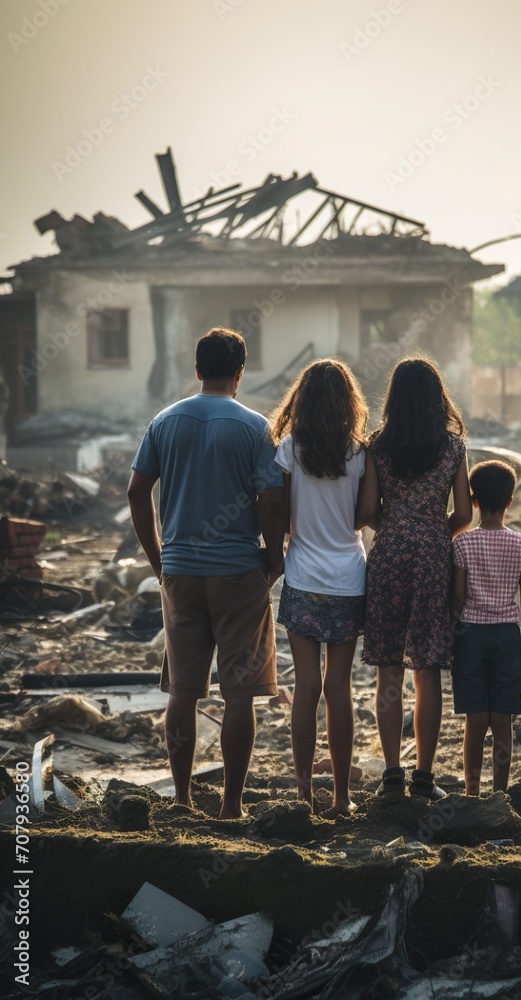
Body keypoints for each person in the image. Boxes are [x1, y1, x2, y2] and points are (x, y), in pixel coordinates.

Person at [128, 328, 284, 819]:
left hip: (180, 572)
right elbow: (272, 497)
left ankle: (180, 799)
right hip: (239, 572)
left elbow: (137, 492)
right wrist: (273, 556)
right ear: (240, 373)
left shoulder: (164, 422)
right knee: (240, 693)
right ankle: (232, 807)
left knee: (183, 689)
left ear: (198, 370)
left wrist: (159, 560)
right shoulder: (256, 427)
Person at [357, 356, 473, 799]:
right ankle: (424, 777)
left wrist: (395, 525)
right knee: (427, 669)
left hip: (387, 557)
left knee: (387, 670)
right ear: (436, 397)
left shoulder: (377, 446)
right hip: (432, 559)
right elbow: (463, 513)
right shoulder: (452, 448)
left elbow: (368, 511)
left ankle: (391, 776)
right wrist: (430, 532)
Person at [272, 359, 368, 815]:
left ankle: (305, 794)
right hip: (349, 579)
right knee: (339, 689)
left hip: (304, 577)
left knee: (306, 687)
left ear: (302, 401)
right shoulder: (359, 452)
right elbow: (361, 517)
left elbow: (282, 514)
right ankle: (343, 798)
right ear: (350, 403)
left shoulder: (290, 449)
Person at [450, 460, 521, 796]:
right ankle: (499, 793)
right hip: (506, 635)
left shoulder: (462, 544)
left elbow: (457, 597)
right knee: (503, 722)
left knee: (475, 721)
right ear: (509, 502)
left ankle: (472, 792)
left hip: (469, 634)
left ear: (473, 501)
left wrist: (451, 631)